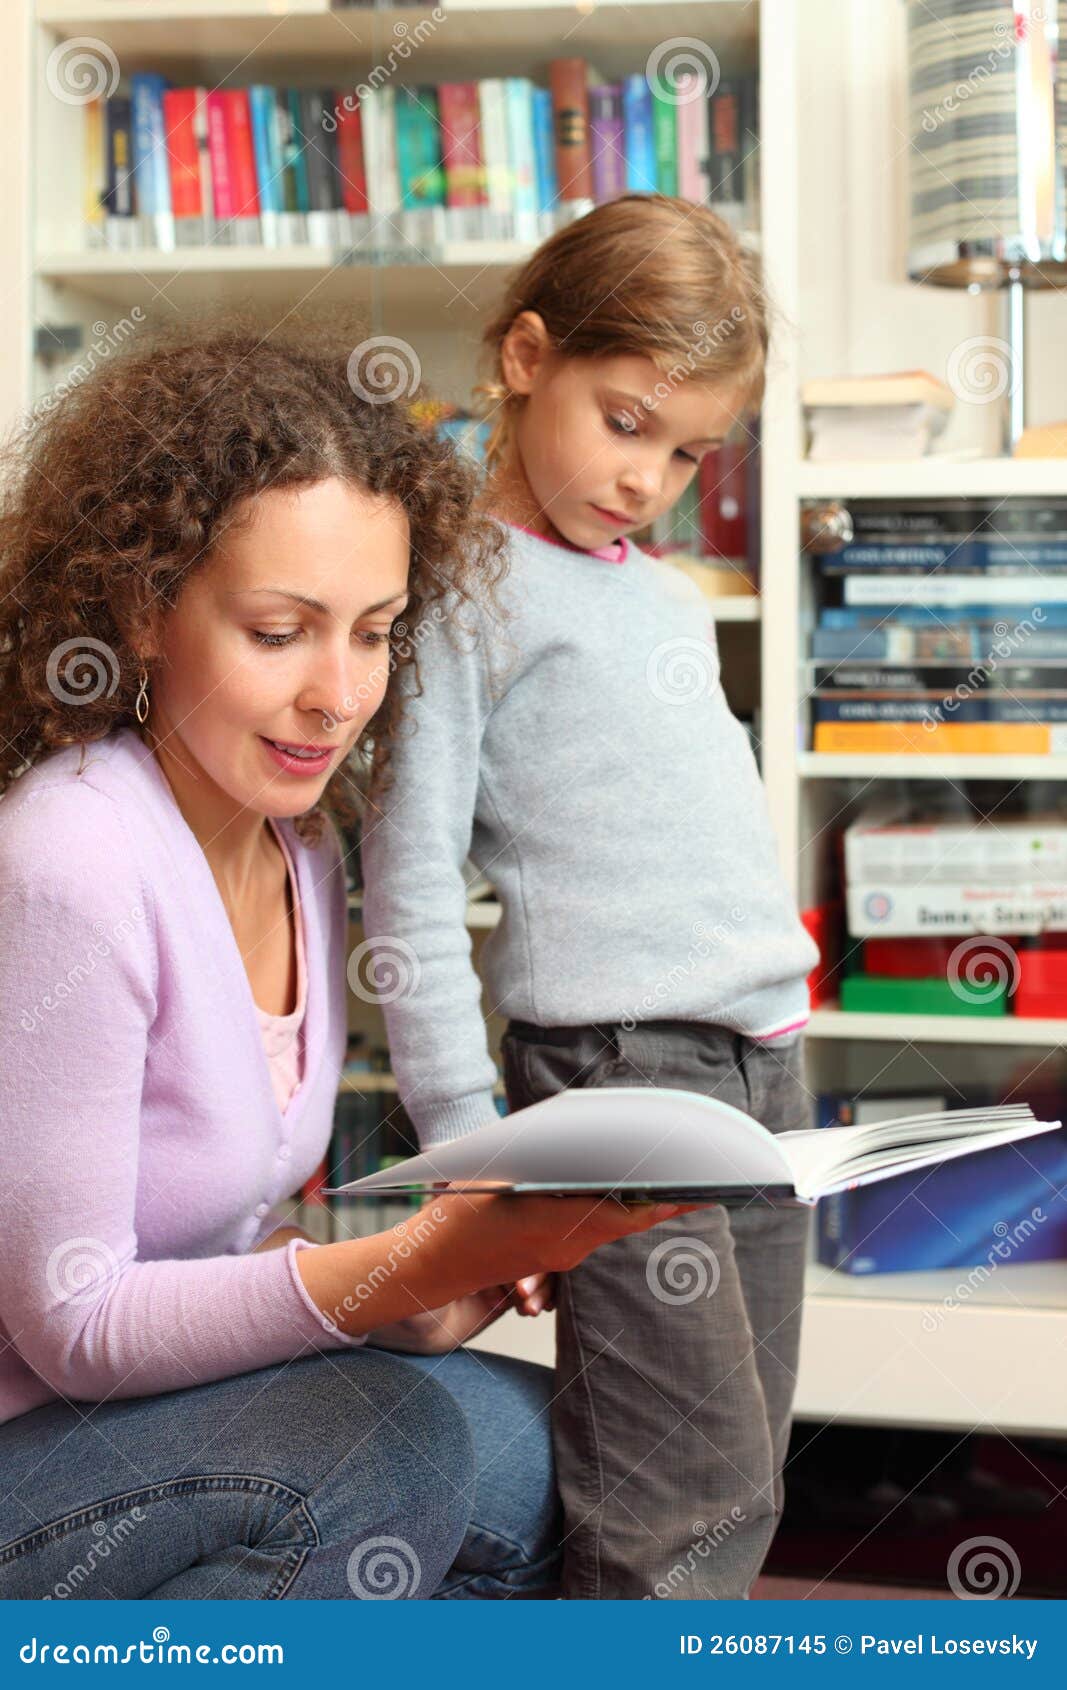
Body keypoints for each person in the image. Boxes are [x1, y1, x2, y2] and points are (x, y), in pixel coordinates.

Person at [0, 324, 689, 1600]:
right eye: (280, 631)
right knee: (374, 1465)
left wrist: (414, 1285)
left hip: (120, 1418)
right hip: (25, 1439)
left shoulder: (297, 840)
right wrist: (385, 1273)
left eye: (373, 632)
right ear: (145, 610)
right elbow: (77, 1324)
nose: (338, 694)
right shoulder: (73, 859)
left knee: (570, 1466)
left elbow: (218, 1239)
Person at [360, 195, 821, 1600]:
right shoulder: (457, 593)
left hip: (766, 1065)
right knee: (677, 1491)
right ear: (522, 355)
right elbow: (408, 880)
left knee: (736, 1469)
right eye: (624, 421)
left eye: (685, 450)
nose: (648, 478)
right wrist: (469, 1147)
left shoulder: (671, 599)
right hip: (620, 1076)